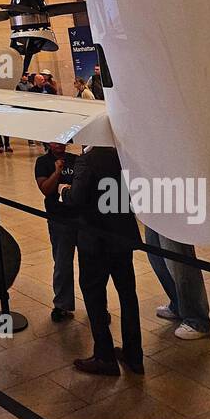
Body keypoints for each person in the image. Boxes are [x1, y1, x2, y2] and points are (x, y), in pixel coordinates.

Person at [62, 145, 143, 375]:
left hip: (95, 240)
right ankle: (134, 356)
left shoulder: (87, 160)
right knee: (128, 295)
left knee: (94, 294)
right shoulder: (125, 154)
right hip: (122, 236)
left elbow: (76, 198)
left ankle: (105, 356)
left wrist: (64, 191)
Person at [34, 141, 78, 322]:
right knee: (62, 262)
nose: (59, 144)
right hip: (59, 219)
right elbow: (45, 189)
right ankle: (62, 304)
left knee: (92, 264)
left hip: (81, 217)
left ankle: (98, 305)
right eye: (55, 140)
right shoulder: (42, 162)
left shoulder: (77, 160)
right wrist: (57, 172)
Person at [145, 227, 210, 339]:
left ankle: (197, 320)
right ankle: (178, 305)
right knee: (156, 254)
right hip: (154, 211)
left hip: (174, 213)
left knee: (179, 260)